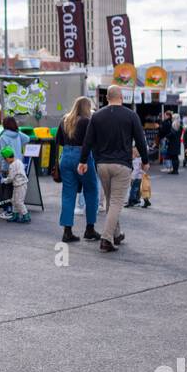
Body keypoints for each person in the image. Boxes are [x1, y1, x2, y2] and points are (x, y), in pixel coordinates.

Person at [78, 85, 148, 253]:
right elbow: (140, 140)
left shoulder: (97, 116)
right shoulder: (131, 116)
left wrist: (83, 161)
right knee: (116, 202)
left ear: (107, 98)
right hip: (122, 164)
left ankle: (116, 234)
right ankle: (106, 239)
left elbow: (88, 140)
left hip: (102, 165)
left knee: (111, 199)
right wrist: (145, 161)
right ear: (121, 97)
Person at [56, 96, 99, 243]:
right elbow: (92, 142)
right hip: (82, 157)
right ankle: (90, 229)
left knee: (68, 194)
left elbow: (59, 141)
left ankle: (67, 231)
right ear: (86, 107)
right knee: (91, 191)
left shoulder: (65, 120)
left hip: (66, 156)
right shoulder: (87, 121)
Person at [0, 115, 29, 217]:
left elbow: (2, 155)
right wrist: (17, 133)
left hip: (8, 166)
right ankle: (14, 210)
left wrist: (1, 169)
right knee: (15, 189)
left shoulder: (3, 137)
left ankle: (8, 210)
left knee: (5, 189)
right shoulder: (18, 135)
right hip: (18, 165)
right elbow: (27, 139)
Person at [0, 146, 30, 223]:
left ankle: (26, 216)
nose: (5, 160)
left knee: (19, 201)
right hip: (20, 184)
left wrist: (4, 180)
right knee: (14, 200)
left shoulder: (12, 165)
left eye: (5, 159)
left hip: (20, 185)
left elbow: (10, 178)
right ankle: (15, 214)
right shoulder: (18, 161)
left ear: (8, 158)